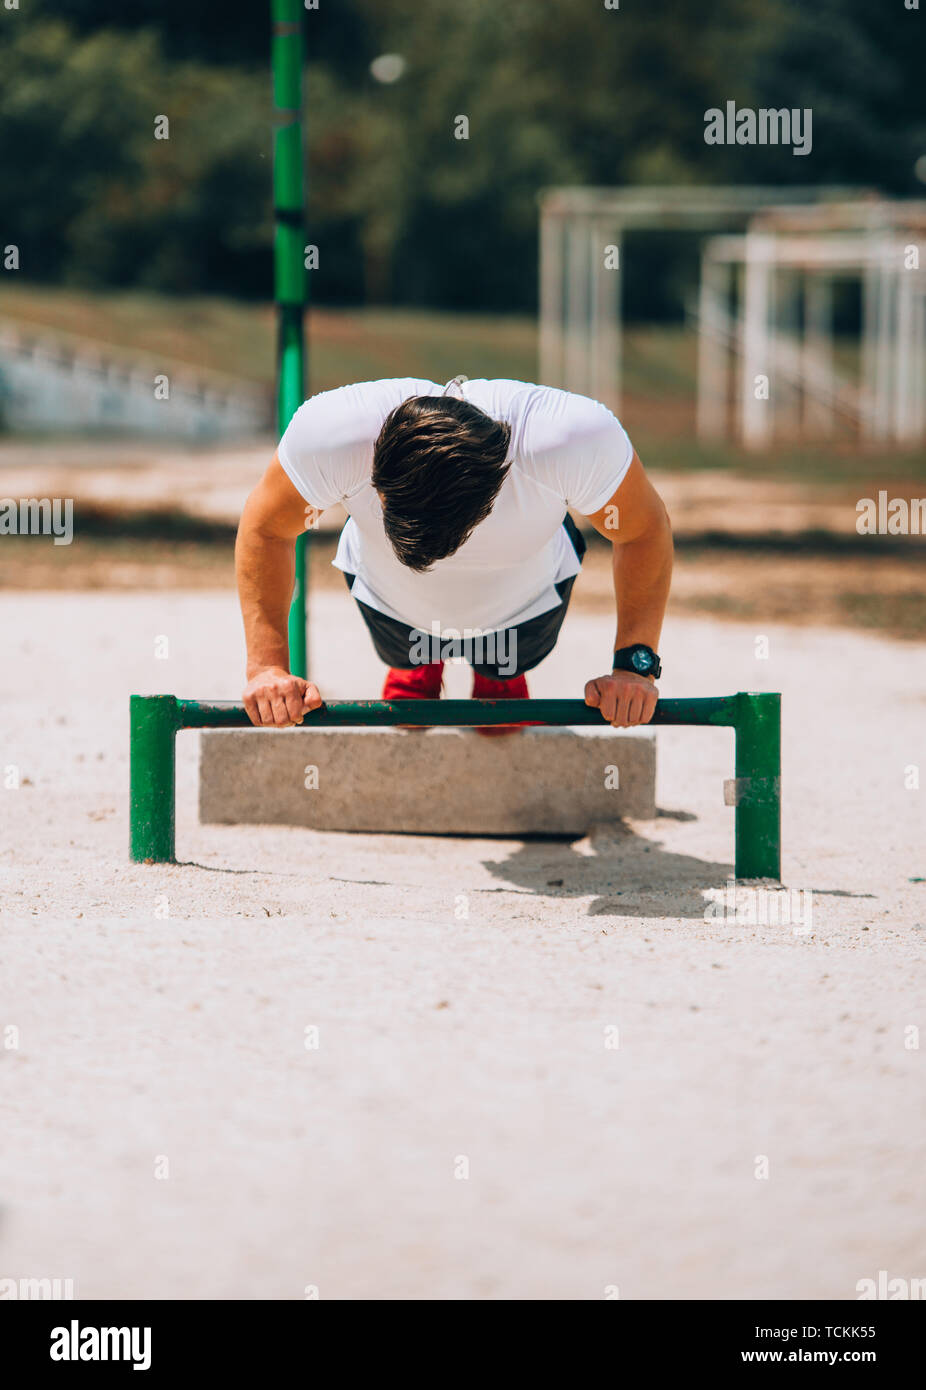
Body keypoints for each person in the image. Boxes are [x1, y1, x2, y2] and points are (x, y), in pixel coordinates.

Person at [236, 376, 673, 732]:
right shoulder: (334, 435)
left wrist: (634, 666)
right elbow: (268, 528)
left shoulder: (568, 440)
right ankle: (420, 663)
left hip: (524, 607)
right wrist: (267, 668)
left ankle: (498, 671)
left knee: (502, 665)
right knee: (412, 651)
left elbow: (641, 532)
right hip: (394, 607)